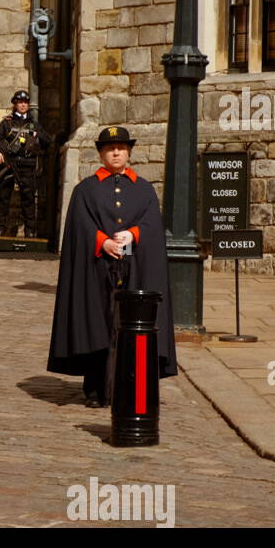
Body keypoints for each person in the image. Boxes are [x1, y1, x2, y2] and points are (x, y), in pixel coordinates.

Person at [48, 126, 177, 408]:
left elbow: (151, 224)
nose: (115, 152)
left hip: (134, 269)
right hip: (96, 269)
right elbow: (80, 226)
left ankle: (130, 386)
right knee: (97, 325)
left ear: (129, 152)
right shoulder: (86, 189)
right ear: (101, 153)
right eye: (109, 148)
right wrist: (102, 242)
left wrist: (134, 235)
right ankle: (95, 389)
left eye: (120, 148)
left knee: (131, 326)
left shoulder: (143, 190)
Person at [0, 90, 52, 237]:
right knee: (3, 198)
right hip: (9, 166)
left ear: (28, 105)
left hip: (28, 166)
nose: (23, 105)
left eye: (25, 102)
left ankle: (30, 231)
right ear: (15, 104)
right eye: (20, 102)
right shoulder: (7, 123)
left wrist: (37, 138)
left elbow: (47, 142)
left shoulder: (34, 124)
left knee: (28, 200)